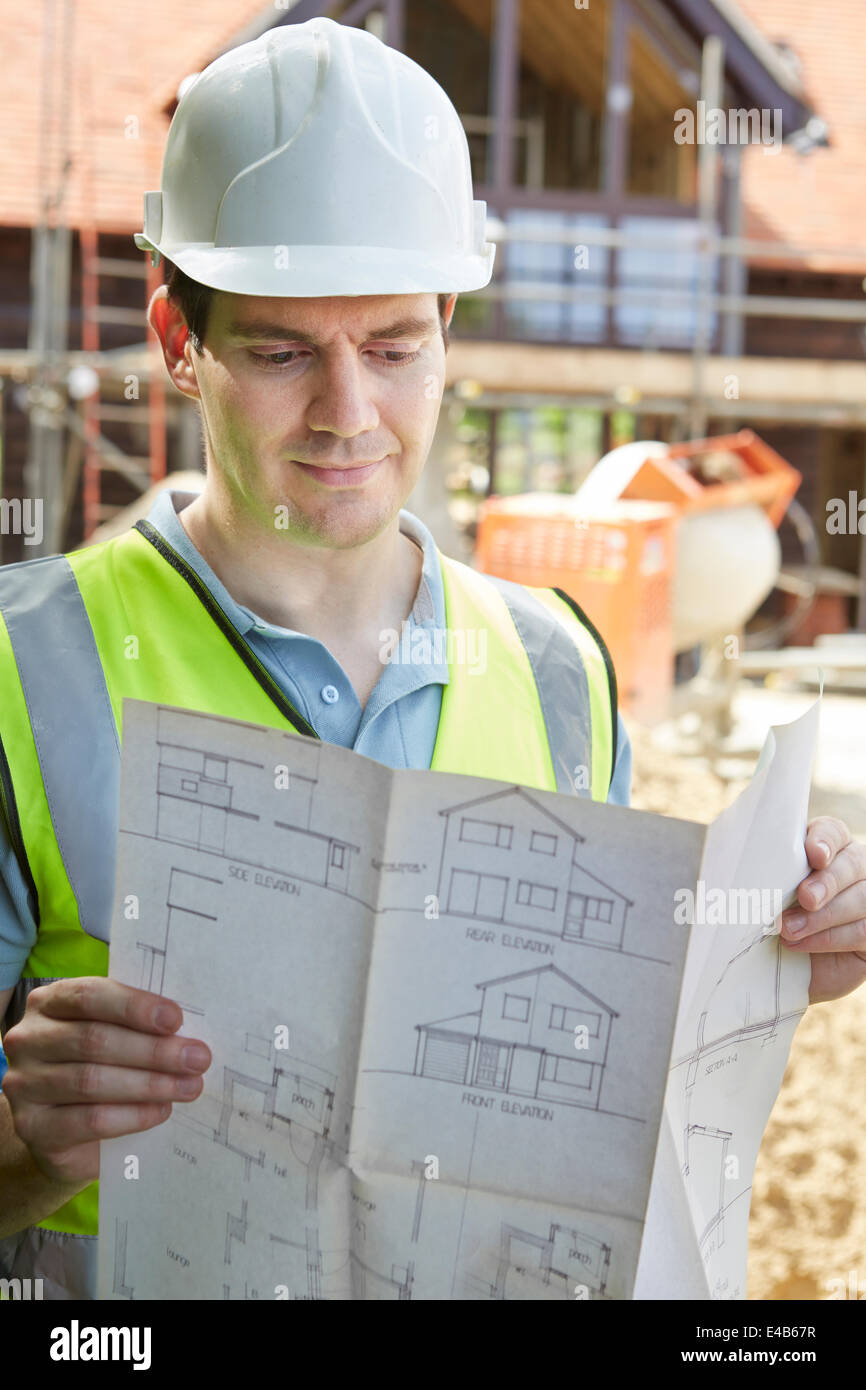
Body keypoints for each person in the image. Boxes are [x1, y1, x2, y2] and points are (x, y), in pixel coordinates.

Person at [0, 17, 864, 1302]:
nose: (349, 414)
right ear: (178, 340)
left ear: (448, 325)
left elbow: (594, 1092)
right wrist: (21, 1144)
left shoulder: (557, 667)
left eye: (395, 347)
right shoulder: (28, 665)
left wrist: (776, 960)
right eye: (283, 350)